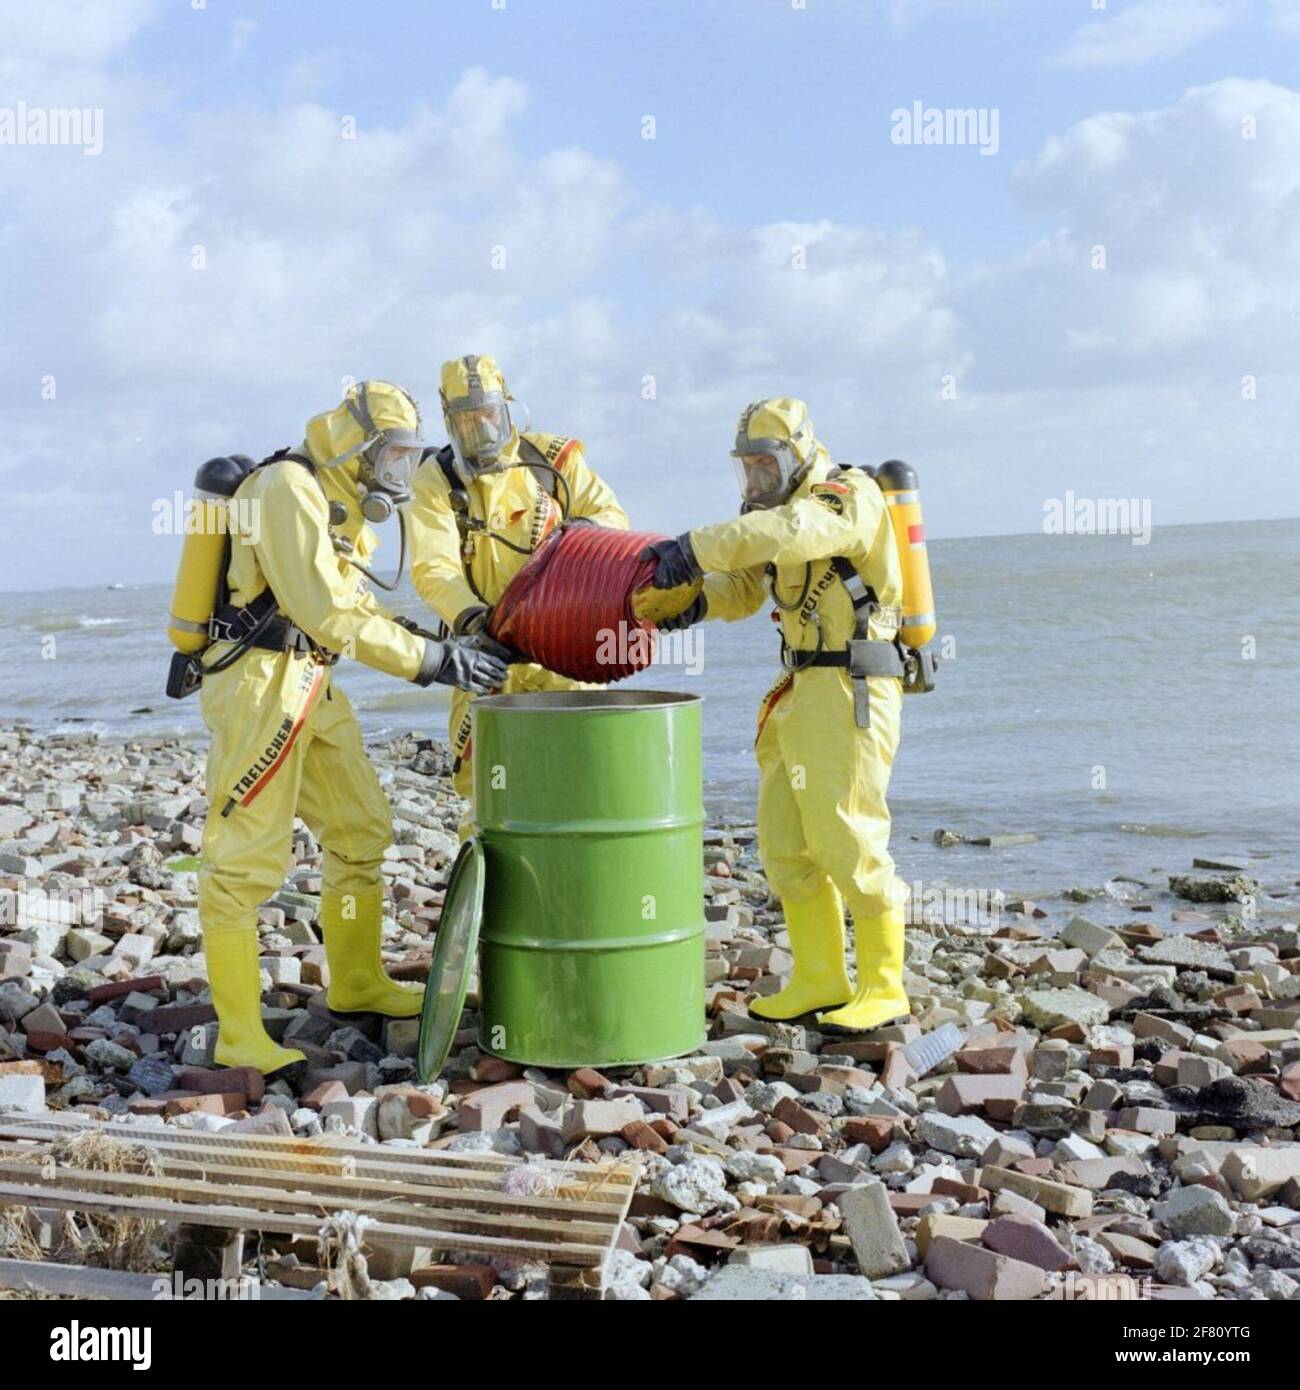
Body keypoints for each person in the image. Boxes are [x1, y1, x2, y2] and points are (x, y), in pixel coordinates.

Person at [197, 380, 508, 1075]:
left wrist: (443, 643)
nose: (399, 471)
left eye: (406, 456)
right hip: (261, 687)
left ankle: (358, 982)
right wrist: (432, 662)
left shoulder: (333, 502)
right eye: (393, 454)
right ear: (359, 445)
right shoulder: (286, 488)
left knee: (360, 830)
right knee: (243, 861)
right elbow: (323, 608)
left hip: (310, 681)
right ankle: (240, 1034)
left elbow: (352, 607)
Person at [642, 397, 910, 1034]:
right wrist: (689, 603)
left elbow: (795, 535)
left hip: (851, 686)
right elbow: (745, 584)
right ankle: (820, 978)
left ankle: (884, 986)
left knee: (848, 837)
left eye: (766, 465)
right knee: (785, 845)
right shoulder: (774, 515)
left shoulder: (847, 496)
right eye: (748, 470)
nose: (756, 482)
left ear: (799, 454)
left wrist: (693, 546)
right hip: (798, 687)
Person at [408, 354, 628, 821]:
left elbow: (613, 520)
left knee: (581, 774)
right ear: (450, 422)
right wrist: (474, 620)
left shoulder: (552, 459)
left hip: (563, 650)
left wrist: (579, 537)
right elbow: (434, 566)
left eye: (489, 415)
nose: (482, 430)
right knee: (485, 789)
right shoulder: (436, 480)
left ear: (506, 407)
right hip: (486, 653)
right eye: (467, 421)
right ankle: (493, 881)